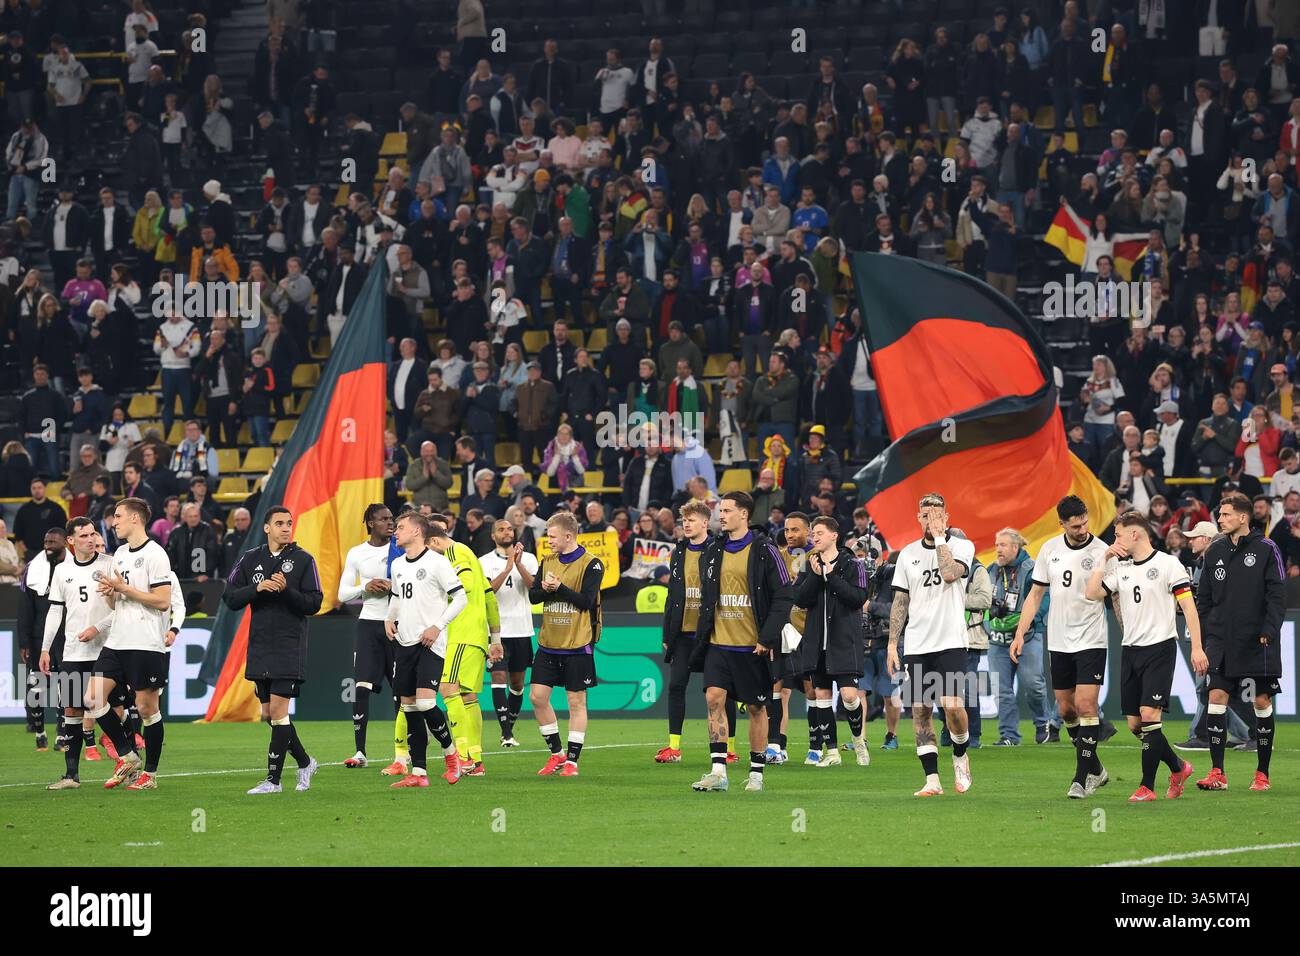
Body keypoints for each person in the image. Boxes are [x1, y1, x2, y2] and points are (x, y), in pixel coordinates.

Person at [1085, 510, 1206, 803]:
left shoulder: (1168, 565)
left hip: (1160, 648)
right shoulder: (1119, 568)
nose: (1115, 540)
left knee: (1150, 717)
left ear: (1134, 534)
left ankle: (1147, 786)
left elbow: (1188, 608)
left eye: (1117, 534)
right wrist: (1104, 560)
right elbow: (1091, 593)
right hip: (1130, 650)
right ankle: (1178, 767)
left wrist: (1197, 647)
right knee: (1136, 725)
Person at [1012, 496, 1117, 797]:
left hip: (1091, 638)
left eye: (1084, 522)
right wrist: (1020, 633)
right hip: (1058, 639)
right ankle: (1096, 768)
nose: (1082, 529)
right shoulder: (1049, 550)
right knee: (1066, 709)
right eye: (1075, 526)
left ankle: (1081, 779)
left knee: (1086, 706)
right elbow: (1034, 595)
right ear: (1062, 524)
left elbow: (1112, 595)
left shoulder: (1102, 552)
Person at [688, 491, 792, 793]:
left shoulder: (765, 550)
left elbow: (784, 595)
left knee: (757, 709)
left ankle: (757, 772)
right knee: (713, 698)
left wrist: (768, 638)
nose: (722, 515)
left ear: (744, 514)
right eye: (720, 510)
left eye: (728, 510)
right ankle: (718, 771)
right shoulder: (714, 550)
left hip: (752, 646)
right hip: (718, 643)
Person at [223, 506, 323, 794]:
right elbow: (230, 597)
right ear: (266, 528)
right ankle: (305, 762)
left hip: (289, 644)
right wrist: (258, 589)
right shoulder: (250, 559)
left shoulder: (303, 560)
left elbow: (314, 602)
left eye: (289, 523)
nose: (285, 528)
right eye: (279, 523)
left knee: (279, 711)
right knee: (269, 714)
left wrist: (285, 590)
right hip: (260, 644)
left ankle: (273, 781)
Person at [1194, 493, 1285, 792]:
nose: (1220, 520)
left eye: (1226, 515)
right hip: (1221, 642)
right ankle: (1217, 772)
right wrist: (1209, 636)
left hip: (1257, 641)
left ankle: (1262, 774)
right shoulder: (1215, 551)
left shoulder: (1266, 548)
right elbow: (1203, 599)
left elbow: (1276, 596)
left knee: (1261, 701)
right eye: (1220, 515)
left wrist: (1269, 631)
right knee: (1216, 697)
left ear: (1243, 518)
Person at [888, 492, 977, 797]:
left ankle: (961, 754)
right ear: (918, 518)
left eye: (937, 514)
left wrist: (941, 539)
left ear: (947, 518)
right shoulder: (908, 554)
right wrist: (892, 644)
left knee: (951, 706)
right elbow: (900, 601)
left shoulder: (962, 545)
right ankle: (932, 780)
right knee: (921, 709)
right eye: (926, 515)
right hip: (917, 644)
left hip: (950, 640)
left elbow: (951, 574)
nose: (931, 520)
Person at [84, 497, 174, 791]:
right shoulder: (119, 553)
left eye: (119, 516)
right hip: (118, 639)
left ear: (136, 518)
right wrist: (111, 591)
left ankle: (150, 774)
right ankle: (127, 755)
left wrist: (126, 589)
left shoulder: (156, 554)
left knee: (147, 709)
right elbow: (116, 600)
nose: (114, 522)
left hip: (145, 642)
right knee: (93, 698)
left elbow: (162, 601)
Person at [378, 512, 465, 788]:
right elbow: (397, 596)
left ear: (417, 532)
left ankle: (452, 756)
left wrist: (437, 626)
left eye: (401, 527)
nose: (395, 531)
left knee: (427, 703)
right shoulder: (398, 564)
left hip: (430, 642)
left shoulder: (437, 562)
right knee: (411, 707)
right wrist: (389, 618)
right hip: (404, 642)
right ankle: (419, 773)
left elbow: (461, 597)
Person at [790, 516, 872, 766]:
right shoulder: (807, 564)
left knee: (848, 695)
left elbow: (857, 598)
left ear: (834, 535)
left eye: (820, 533)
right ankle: (833, 752)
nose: (815, 537)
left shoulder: (852, 564)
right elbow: (800, 598)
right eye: (813, 533)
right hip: (816, 643)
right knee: (822, 695)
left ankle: (859, 741)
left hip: (843, 641)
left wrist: (830, 575)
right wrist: (816, 576)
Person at [527, 510, 604, 777]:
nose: (549, 541)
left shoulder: (592, 564)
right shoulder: (547, 561)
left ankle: (572, 760)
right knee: (537, 697)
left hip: (577, 644)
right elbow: (533, 597)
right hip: (549, 642)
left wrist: (559, 588)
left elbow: (586, 601)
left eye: (553, 537)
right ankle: (556, 754)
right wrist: (545, 590)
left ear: (568, 536)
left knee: (576, 703)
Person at [40, 518, 113, 789]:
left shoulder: (109, 564)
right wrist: (46, 647)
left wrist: (98, 627)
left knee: (110, 706)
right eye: (83, 536)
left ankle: (128, 759)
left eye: (93, 534)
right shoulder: (61, 571)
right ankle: (71, 775)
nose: (91, 539)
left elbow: (122, 606)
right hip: (73, 650)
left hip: (107, 648)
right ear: (71, 540)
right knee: (72, 707)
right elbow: (56, 610)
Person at [429, 522, 502, 775]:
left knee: (448, 688)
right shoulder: (470, 554)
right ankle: (476, 759)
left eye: (429, 549)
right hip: (477, 633)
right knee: (467, 696)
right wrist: (496, 638)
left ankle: (462, 756)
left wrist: (435, 589)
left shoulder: (454, 552)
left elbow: (467, 584)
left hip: (462, 632)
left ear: (435, 542)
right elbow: (489, 596)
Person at [336, 504, 401, 771]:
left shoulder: (401, 547)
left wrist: (390, 586)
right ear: (370, 523)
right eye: (384, 519)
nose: (390, 522)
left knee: (402, 693)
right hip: (369, 625)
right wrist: (366, 586)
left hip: (398, 625)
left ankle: (403, 753)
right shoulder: (357, 553)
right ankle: (360, 751)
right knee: (361, 687)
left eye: (391, 517)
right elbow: (341, 594)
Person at [656, 501, 716, 764]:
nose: (687, 525)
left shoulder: (719, 549)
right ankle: (674, 747)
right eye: (684, 521)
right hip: (683, 634)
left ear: (705, 522)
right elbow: (673, 596)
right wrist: (667, 634)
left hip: (713, 633)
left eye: (692, 520)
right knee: (676, 686)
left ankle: (730, 748)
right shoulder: (678, 552)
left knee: (719, 692)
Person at [985, 528, 1054, 747]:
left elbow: (1043, 599)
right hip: (997, 639)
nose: (998, 550)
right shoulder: (991, 570)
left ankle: (1042, 722)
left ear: (1016, 547)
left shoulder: (1031, 569)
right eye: (997, 545)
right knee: (1001, 689)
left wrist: (1028, 623)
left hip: (1028, 636)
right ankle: (1009, 735)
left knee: (1033, 683)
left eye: (1002, 545)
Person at [480, 519, 538, 747]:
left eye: (510, 529)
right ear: (493, 536)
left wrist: (519, 564)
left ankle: (509, 729)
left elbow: (535, 587)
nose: (507, 532)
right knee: (498, 678)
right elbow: (488, 591)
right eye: (501, 529)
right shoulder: (483, 562)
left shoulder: (530, 558)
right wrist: (507, 568)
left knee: (517, 684)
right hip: (497, 632)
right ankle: (506, 733)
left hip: (522, 630)